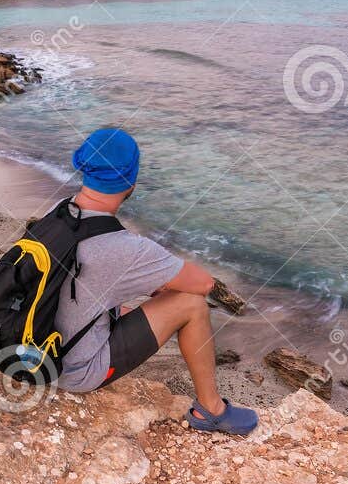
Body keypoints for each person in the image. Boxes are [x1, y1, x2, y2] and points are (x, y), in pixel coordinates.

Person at [55, 126, 258, 436]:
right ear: (131, 182)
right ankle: (211, 410)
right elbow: (203, 284)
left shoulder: (58, 214)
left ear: (81, 167)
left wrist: (153, 282)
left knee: (125, 296)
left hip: (43, 348)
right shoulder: (125, 248)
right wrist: (162, 279)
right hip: (76, 370)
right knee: (191, 304)